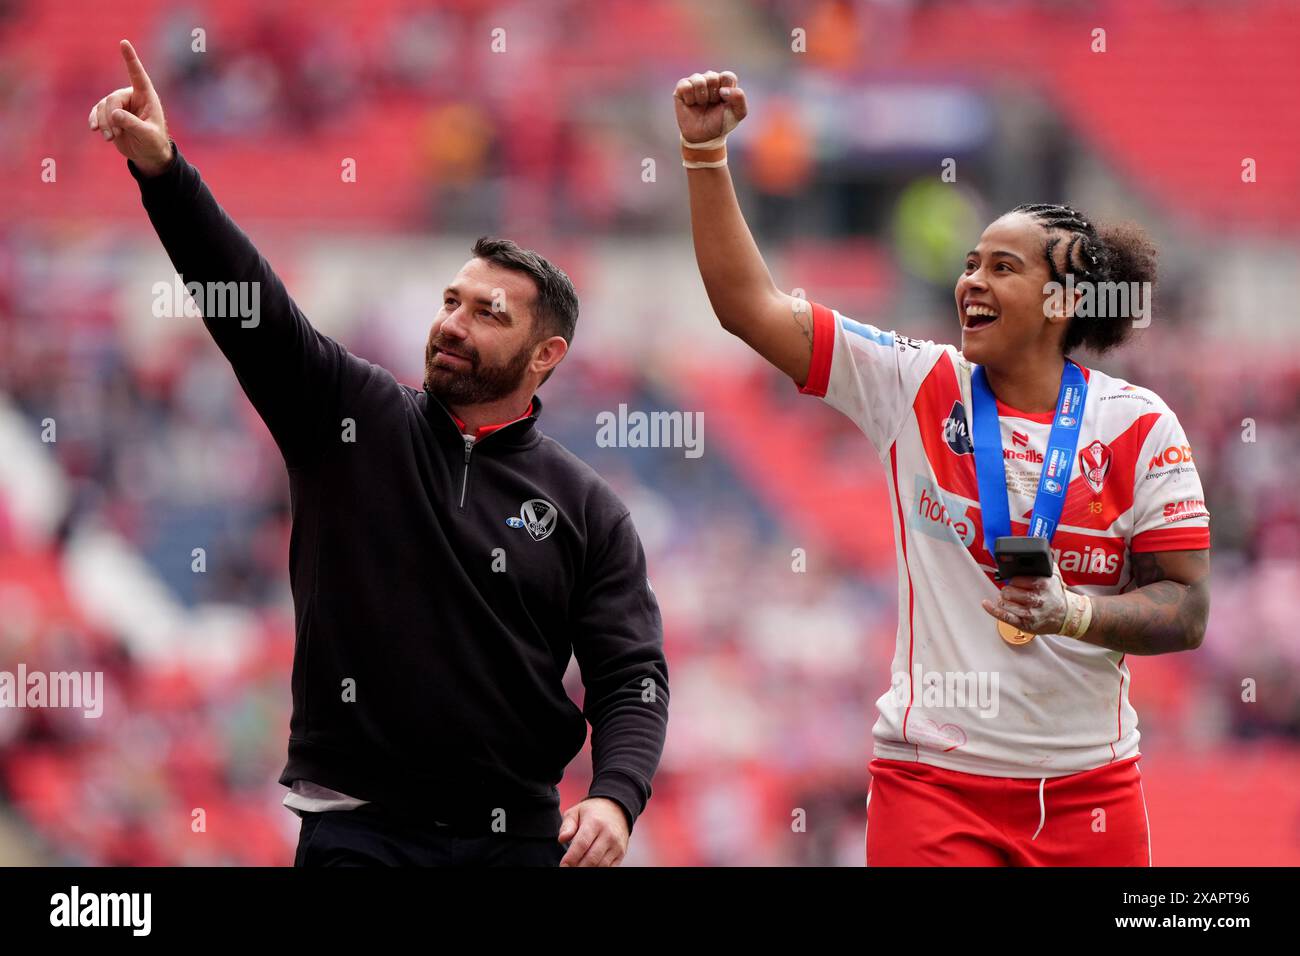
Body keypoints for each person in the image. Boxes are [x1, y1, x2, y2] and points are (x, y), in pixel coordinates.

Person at [87, 39, 669, 868]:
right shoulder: (348, 415)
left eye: (488, 314)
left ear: (546, 357)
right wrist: (166, 172)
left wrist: (615, 795)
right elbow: (249, 306)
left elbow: (632, 675)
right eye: (450, 301)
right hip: (360, 834)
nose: (454, 323)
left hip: (519, 838)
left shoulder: (588, 510)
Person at [675, 69, 1210, 866]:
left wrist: (1075, 614)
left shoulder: (1138, 425)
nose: (971, 282)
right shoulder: (914, 381)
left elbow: (1188, 609)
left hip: (1092, 794)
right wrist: (706, 153)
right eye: (970, 263)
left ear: (1063, 304)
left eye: (1003, 267)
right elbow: (745, 305)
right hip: (934, 786)